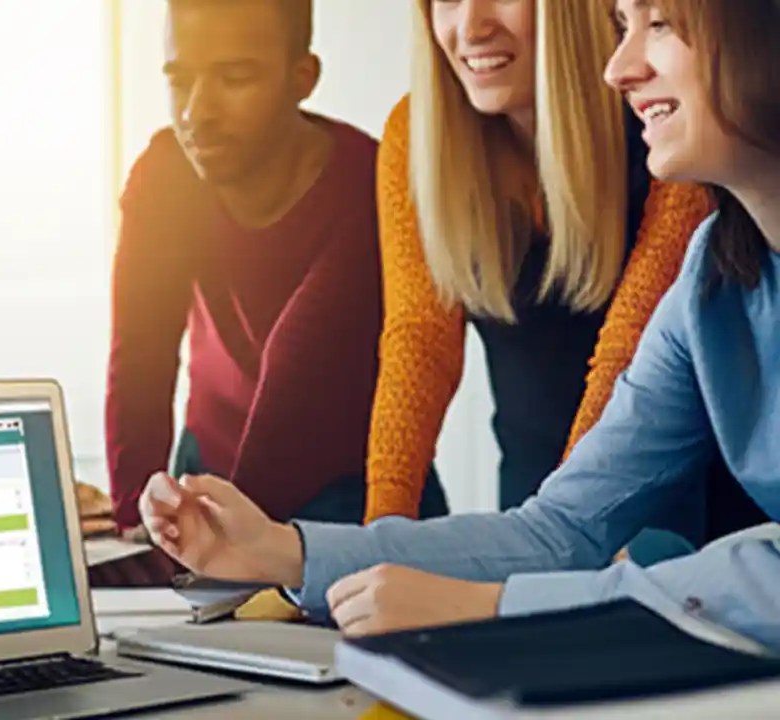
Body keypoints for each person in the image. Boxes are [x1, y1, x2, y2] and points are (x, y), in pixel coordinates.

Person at [139, 0, 780, 652]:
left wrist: (495, 605)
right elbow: (559, 530)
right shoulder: (711, 277)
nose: (617, 67)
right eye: (625, 25)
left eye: (661, 26)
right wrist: (283, 550)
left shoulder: (675, 215)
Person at [364, 0, 715, 527]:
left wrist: (557, 535)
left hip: (681, 518)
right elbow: (419, 340)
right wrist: (382, 530)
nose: (471, 27)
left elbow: (627, 351)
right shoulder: (417, 136)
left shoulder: (658, 120)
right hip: (534, 511)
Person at [106, 0, 449, 539]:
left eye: (234, 78)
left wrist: (215, 549)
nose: (197, 112)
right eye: (180, 80)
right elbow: (139, 359)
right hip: (208, 466)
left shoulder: (371, 185)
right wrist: (134, 518)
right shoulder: (165, 174)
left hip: (352, 493)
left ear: (302, 77)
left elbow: (300, 372)